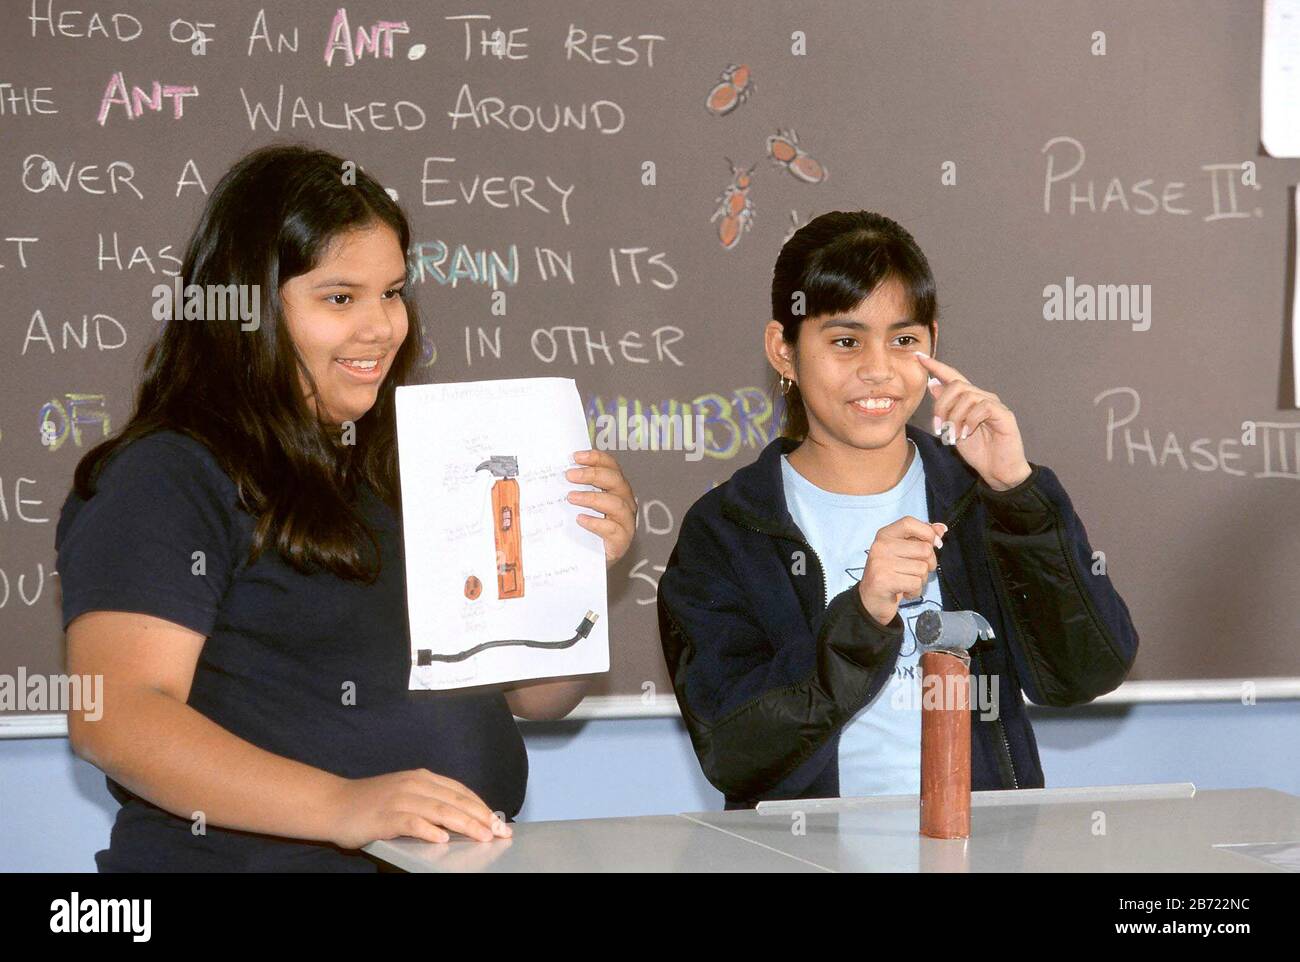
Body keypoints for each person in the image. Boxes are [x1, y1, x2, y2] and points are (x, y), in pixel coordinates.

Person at [57, 143, 637, 871]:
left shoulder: (411, 459)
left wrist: (576, 565)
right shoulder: (167, 474)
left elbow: (538, 697)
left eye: (392, 292)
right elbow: (115, 715)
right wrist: (343, 805)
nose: (381, 327)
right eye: (340, 297)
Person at [656, 209, 1138, 809]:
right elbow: (734, 750)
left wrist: (1017, 493)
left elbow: (1085, 674)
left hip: (977, 850)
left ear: (932, 343)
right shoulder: (728, 529)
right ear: (783, 349)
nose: (878, 369)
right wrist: (861, 616)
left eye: (904, 340)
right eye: (845, 341)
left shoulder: (979, 496)